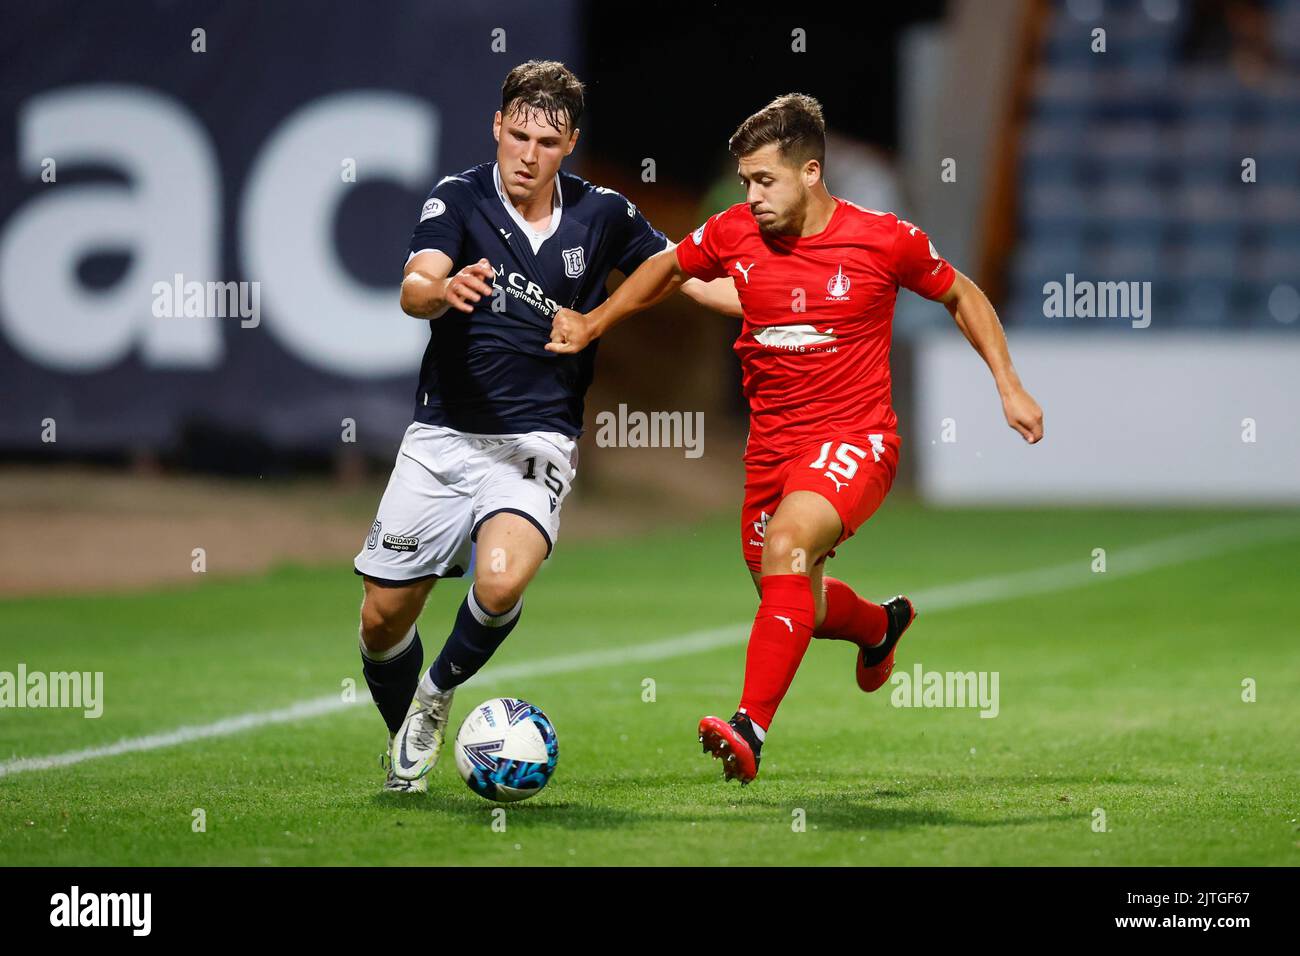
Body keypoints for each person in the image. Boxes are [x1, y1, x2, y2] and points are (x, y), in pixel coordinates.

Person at [547, 93, 1043, 784]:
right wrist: (597, 321)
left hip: (856, 439)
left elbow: (963, 293)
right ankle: (878, 626)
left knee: (787, 546)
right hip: (772, 452)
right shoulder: (734, 233)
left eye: (763, 180)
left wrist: (1007, 383)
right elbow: (672, 268)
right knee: (790, 594)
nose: (749, 195)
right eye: (745, 180)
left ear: (811, 172)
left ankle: (749, 727)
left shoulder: (883, 239)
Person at [356, 60, 741, 792]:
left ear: (570, 146)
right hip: (443, 437)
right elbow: (412, 289)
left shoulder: (603, 215)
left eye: (547, 141)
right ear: (496, 127)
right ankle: (406, 737)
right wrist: (443, 288)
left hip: (536, 442)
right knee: (381, 622)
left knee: (499, 583)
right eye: (519, 135)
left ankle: (434, 703)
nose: (528, 155)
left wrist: (772, 303)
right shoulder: (459, 199)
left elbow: (680, 273)